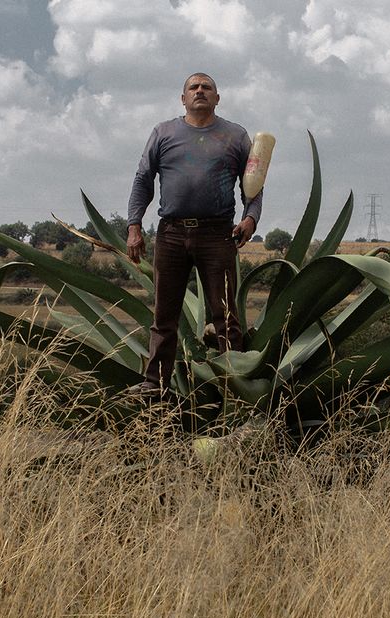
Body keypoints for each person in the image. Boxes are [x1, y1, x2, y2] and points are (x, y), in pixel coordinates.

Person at [126, 72, 263, 395]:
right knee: (164, 314)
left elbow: (253, 186)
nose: (200, 91)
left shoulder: (235, 136)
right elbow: (143, 180)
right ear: (183, 98)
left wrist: (250, 220)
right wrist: (134, 226)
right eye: (194, 87)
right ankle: (155, 384)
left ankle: (235, 384)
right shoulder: (163, 133)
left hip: (218, 234)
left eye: (207, 87)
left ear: (217, 98)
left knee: (225, 315)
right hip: (171, 233)